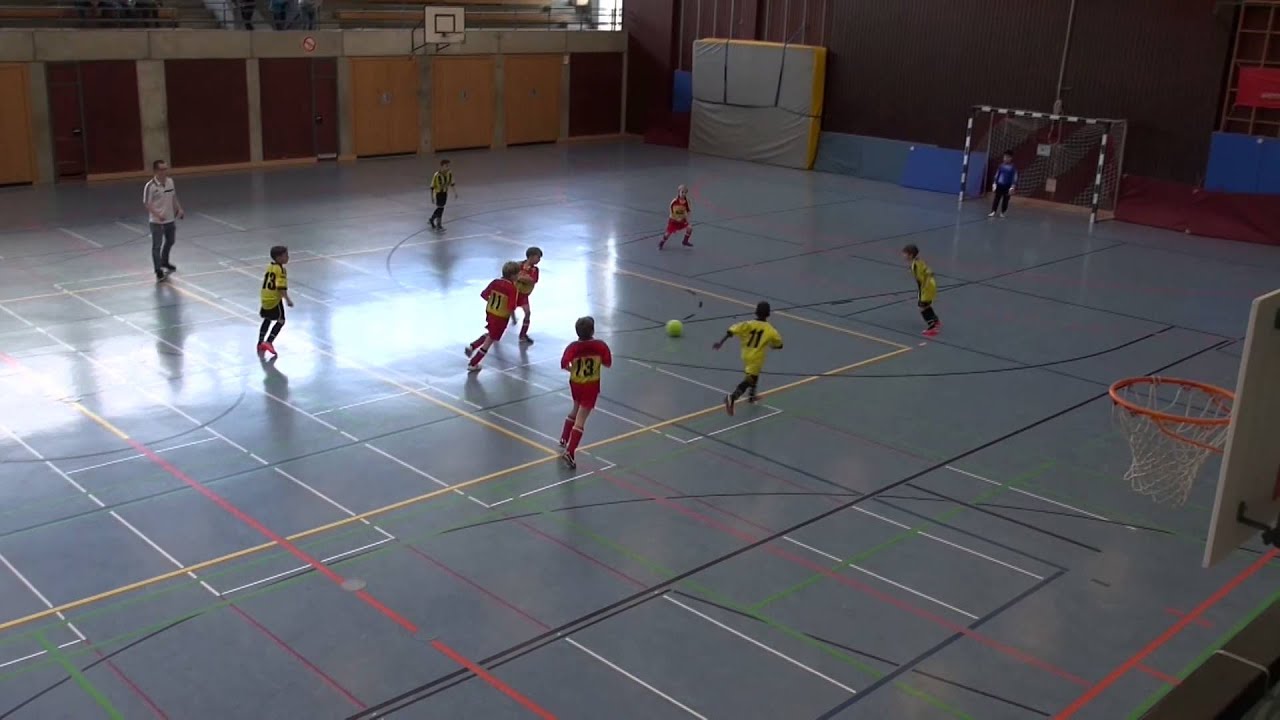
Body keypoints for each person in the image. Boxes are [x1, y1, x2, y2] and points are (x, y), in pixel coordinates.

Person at [558, 316, 612, 469]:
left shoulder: (572, 347)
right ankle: (570, 451)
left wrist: (573, 370)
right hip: (590, 386)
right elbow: (608, 363)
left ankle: (564, 438)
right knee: (581, 418)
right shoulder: (600, 346)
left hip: (575, 383)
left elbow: (563, 364)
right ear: (593, 330)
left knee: (575, 408)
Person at [713, 301, 783, 415]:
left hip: (745, 355)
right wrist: (772, 345)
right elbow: (779, 345)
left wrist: (721, 342)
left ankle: (752, 396)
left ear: (756, 312)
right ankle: (732, 398)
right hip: (756, 358)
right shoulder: (771, 330)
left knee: (754, 374)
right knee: (751, 379)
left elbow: (732, 330)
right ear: (768, 314)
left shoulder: (748, 324)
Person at [465, 261, 521, 372]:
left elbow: (484, 294)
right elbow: (511, 306)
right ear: (513, 275)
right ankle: (473, 363)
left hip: (490, 313)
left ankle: (473, 346)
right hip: (501, 317)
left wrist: (492, 302)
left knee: (490, 333)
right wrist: (514, 319)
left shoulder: (495, 282)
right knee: (490, 340)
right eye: (518, 274)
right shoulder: (512, 289)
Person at [143, 159, 184, 281]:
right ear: (156, 170)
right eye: (161, 169)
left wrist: (179, 209)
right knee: (157, 246)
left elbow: (173, 197)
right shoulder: (150, 186)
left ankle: (164, 261)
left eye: (165, 169)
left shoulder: (170, 182)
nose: (164, 171)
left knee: (170, 241)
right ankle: (158, 270)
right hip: (157, 222)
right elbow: (147, 203)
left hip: (170, 219)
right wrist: (157, 215)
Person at [257, 245, 294, 355]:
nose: (288, 257)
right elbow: (281, 287)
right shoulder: (281, 270)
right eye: (285, 255)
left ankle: (260, 343)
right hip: (274, 299)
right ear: (278, 258)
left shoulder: (270, 266)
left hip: (265, 297)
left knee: (267, 319)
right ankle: (269, 342)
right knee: (281, 320)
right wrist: (287, 299)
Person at [903, 243, 940, 336]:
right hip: (931, 285)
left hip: (926, 287)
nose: (904, 256)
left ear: (910, 255)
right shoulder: (919, 261)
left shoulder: (916, 265)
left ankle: (932, 327)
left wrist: (924, 289)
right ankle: (936, 321)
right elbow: (928, 271)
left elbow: (921, 278)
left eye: (905, 254)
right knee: (926, 305)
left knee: (922, 307)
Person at [511, 246, 542, 344]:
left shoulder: (535, 270)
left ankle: (523, 335)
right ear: (531, 257)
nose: (539, 260)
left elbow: (532, 280)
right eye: (538, 257)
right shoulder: (518, 265)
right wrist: (523, 277)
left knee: (527, 313)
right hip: (513, 293)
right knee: (506, 312)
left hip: (523, 295)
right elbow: (511, 276)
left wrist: (520, 277)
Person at [659, 184, 693, 249]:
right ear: (678, 192)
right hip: (674, 221)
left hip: (682, 219)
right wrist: (676, 218)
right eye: (682, 192)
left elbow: (688, 211)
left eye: (685, 192)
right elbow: (671, 211)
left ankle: (685, 241)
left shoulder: (687, 201)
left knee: (690, 228)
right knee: (667, 234)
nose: (683, 194)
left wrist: (687, 219)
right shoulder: (674, 201)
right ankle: (662, 243)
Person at [429, 159, 456, 231]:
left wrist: (455, 192)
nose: (448, 167)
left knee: (441, 208)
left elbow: (452, 183)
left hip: (445, 193)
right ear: (442, 166)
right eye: (446, 166)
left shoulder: (449, 173)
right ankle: (438, 225)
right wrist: (432, 197)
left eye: (448, 166)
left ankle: (432, 219)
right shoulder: (437, 175)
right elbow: (432, 187)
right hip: (439, 194)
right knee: (440, 208)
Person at [989, 152, 1018, 218]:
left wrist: (1013, 186)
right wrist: (994, 183)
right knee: (996, 199)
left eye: (1007, 157)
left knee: (1006, 200)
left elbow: (1015, 177)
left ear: (1010, 158)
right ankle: (993, 211)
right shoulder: (1001, 166)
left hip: (1007, 186)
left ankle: (1003, 212)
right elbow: (997, 175)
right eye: (1004, 157)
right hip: (999, 185)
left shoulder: (1013, 167)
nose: (1005, 158)